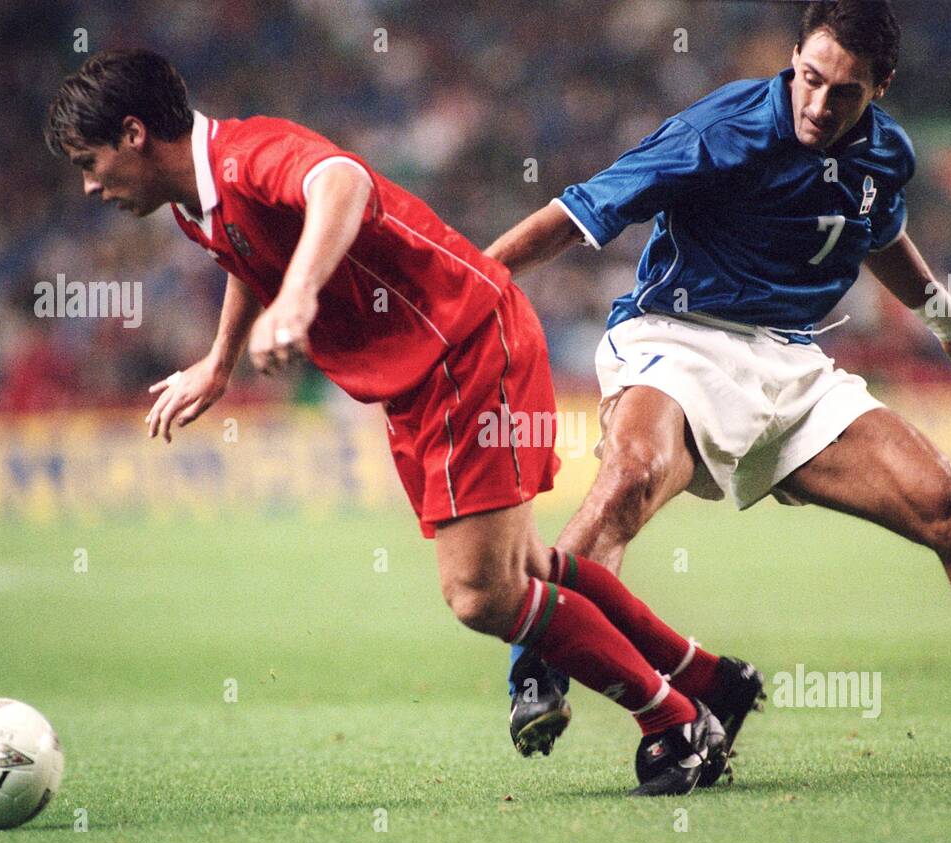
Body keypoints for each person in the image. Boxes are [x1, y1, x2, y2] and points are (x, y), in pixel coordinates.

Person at [45, 49, 767, 797]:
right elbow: (248, 249)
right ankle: (711, 680)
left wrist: (296, 301)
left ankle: (673, 720)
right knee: (530, 573)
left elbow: (340, 180)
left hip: (460, 349)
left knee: (481, 593)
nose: (90, 186)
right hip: (425, 373)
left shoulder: (244, 155)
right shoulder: (199, 200)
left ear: (134, 133)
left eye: (89, 162)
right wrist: (220, 360)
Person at [485, 0, 951, 771]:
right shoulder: (720, 129)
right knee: (629, 479)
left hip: (790, 362)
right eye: (808, 79)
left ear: (880, 86)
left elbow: (879, 233)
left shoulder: (887, 155)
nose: (817, 104)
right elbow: (579, 211)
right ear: (792, 59)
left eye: (842, 91)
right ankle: (535, 666)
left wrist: (950, 327)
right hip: (675, 339)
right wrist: (478, 280)